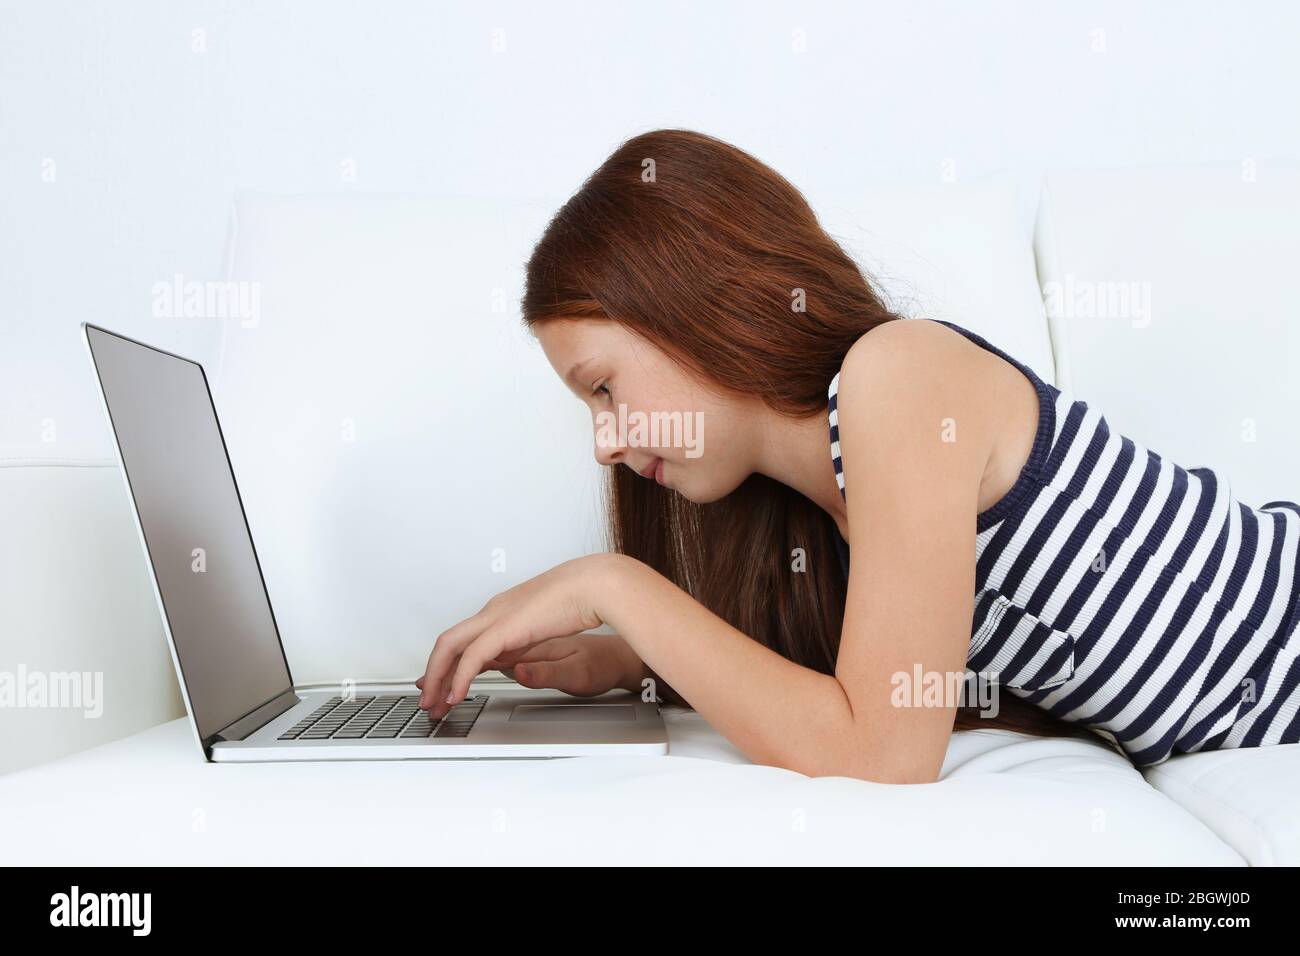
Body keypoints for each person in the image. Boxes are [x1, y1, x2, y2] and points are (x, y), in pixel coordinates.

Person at [416, 129, 1300, 783]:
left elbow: (881, 751)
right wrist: (637, 657)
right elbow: (874, 690)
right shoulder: (828, 514)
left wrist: (613, 585)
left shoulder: (896, 378)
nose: (605, 442)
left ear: (691, 305)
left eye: (603, 387)